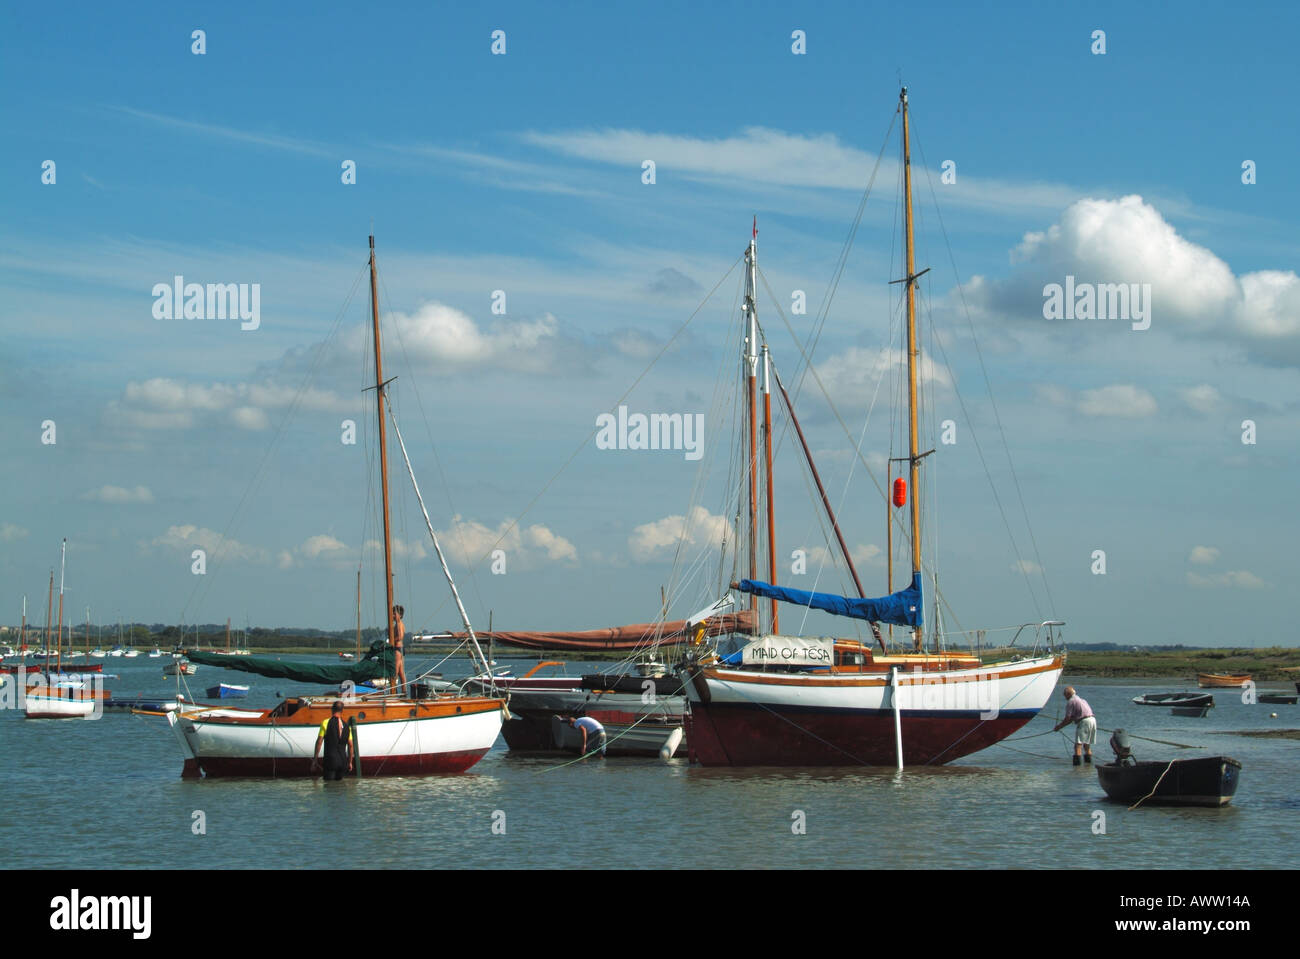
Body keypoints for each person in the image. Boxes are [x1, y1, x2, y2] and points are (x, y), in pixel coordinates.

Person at [1051, 686, 1096, 765]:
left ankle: (1077, 769)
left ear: (1068, 694)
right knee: (1086, 744)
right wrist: (1061, 726)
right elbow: (1071, 719)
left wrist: (1059, 727)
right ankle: (1088, 768)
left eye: (1065, 695)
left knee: (1078, 746)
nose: (1065, 697)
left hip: (1084, 721)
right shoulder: (1082, 700)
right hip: (1092, 720)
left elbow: (1067, 718)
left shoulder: (1071, 701)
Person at [311, 700, 353, 780]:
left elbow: (319, 742)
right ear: (342, 711)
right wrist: (350, 762)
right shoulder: (347, 726)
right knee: (340, 788)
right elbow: (351, 745)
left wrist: (315, 760)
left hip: (330, 761)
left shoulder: (325, 723)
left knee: (329, 788)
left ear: (332, 709)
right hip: (343, 761)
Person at [391, 604, 407, 692]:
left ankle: (394, 691)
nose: (393, 616)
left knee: (395, 671)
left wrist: (392, 641)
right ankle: (404, 691)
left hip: (398, 649)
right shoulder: (396, 624)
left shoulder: (399, 624)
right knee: (401, 673)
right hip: (399, 649)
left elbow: (400, 636)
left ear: (399, 615)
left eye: (394, 614)